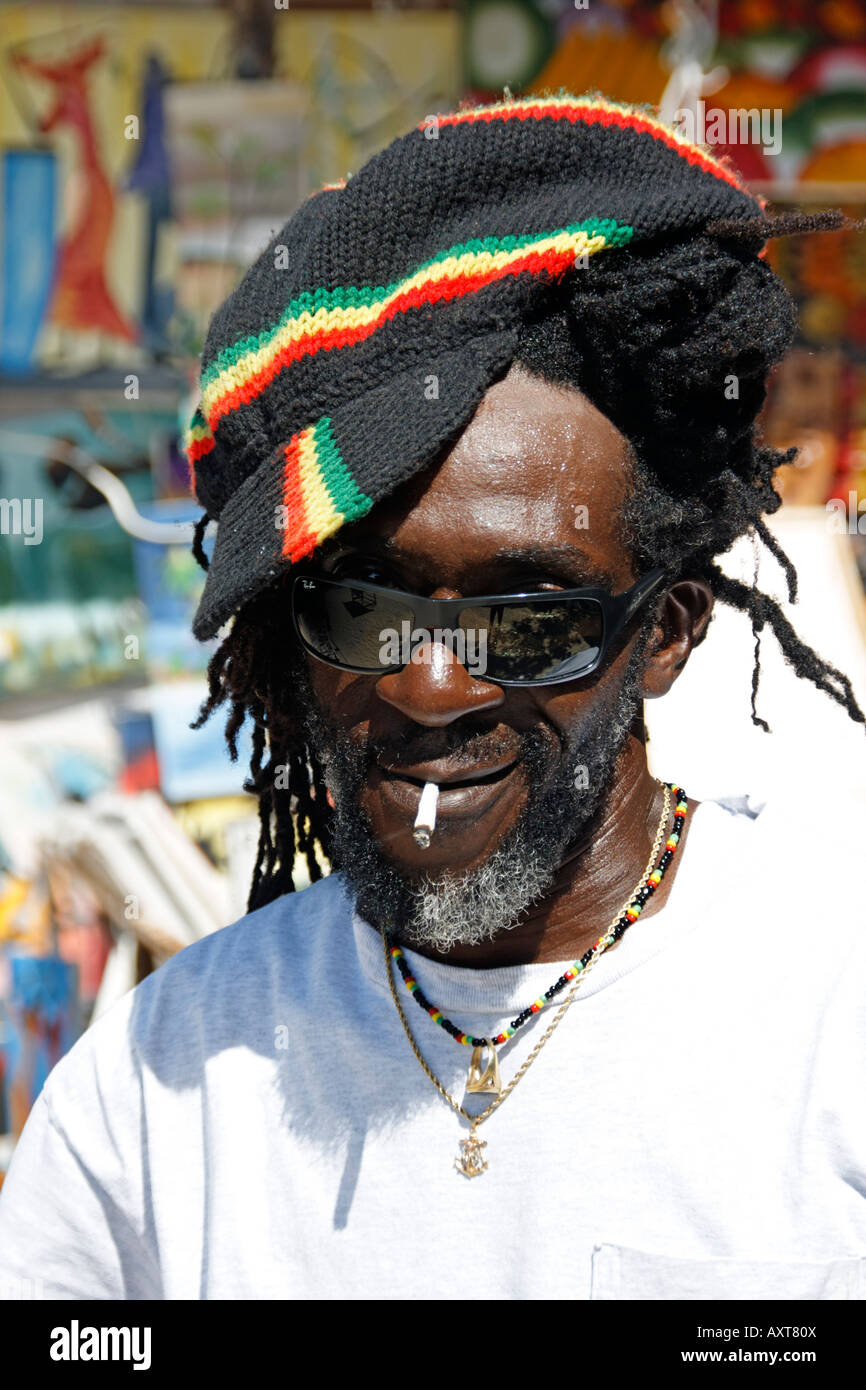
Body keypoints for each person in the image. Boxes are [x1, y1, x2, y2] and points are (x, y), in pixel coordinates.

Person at [2, 93, 865, 1302]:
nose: (430, 685)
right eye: (366, 607)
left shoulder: (832, 1013)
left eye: (528, 618)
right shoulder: (159, 1086)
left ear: (665, 633)